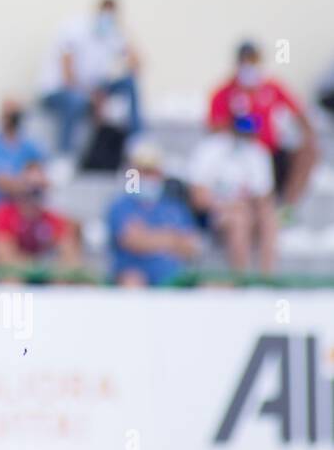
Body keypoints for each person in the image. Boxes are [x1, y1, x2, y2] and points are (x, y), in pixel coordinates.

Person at [207, 41, 318, 211]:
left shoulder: (271, 87)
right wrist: (239, 126)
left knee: (309, 152)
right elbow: (214, 126)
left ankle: (287, 207)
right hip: (246, 154)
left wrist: (308, 133)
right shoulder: (225, 91)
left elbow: (298, 111)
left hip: (272, 151)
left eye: (253, 61)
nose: (249, 67)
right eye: (246, 62)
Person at [38, 0, 142, 155]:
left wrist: (125, 34)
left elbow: (137, 66)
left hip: (90, 91)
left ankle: (136, 141)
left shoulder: (112, 34)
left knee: (128, 84)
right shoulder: (75, 29)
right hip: (57, 92)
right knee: (75, 100)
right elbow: (68, 78)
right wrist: (92, 98)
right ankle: (64, 154)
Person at [188, 115, 279, 275]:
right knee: (239, 219)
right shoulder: (211, 150)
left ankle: (267, 277)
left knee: (269, 218)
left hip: (246, 210)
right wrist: (229, 205)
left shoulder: (258, 152)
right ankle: (240, 278)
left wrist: (250, 206)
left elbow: (263, 196)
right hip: (215, 212)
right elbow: (198, 197)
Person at [107, 140, 200, 287]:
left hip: (172, 275)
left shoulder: (173, 206)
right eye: (142, 171)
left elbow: (191, 246)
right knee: (132, 282)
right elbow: (132, 241)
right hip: (135, 273)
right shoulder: (121, 205)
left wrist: (149, 237)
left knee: (211, 285)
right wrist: (172, 238)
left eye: (151, 171)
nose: (147, 177)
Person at [0, 161, 83, 281]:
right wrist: (41, 267)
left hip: (42, 274)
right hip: (18, 276)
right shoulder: (3, 215)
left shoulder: (52, 219)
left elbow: (71, 257)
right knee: (9, 276)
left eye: (38, 191)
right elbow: (4, 256)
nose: (33, 197)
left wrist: (57, 268)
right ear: (19, 189)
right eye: (29, 190)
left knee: (66, 279)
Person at [0, 97, 47, 218]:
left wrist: (14, 183)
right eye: (7, 114)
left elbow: (41, 180)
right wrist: (25, 183)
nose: (11, 119)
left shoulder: (32, 148)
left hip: (27, 213)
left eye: (14, 114)